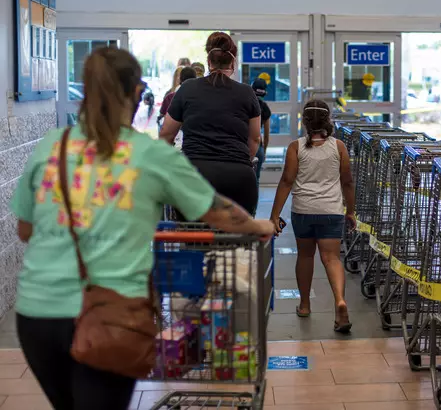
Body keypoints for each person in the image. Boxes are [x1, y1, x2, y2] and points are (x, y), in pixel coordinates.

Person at [9, 47, 274, 410]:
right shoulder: (149, 155)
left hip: (37, 315)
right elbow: (219, 213)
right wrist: (257, 224)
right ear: (136, 95)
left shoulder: (51, 147)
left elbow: (25, 229)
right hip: (113, 314)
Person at [269, 99, 356, 334]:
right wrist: (351, 211)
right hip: (331, 211)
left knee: (305, 256)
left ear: (304, 122)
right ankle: (339, 300)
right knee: (332, 259)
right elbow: (347, 181)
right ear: (327, 121)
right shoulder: (338, 147)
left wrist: (275, 214)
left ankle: (305, 305)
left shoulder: (296, 147)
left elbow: (287, 181)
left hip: (303, 211)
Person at [160, 32, 262, 215]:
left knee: (193, 238)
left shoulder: (187, 89)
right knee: (237, 241)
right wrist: (239, 160)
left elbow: (167, 135)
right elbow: (254, 139)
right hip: (238, 179)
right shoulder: (247, 93)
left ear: (208, 61)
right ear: (232, 63)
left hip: (195, 176)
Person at [251, 78, 272, 182]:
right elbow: (267, 135)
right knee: (256, 178)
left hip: (243, 146)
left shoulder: (245, 104)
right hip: (257, 146)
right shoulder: (265, 108)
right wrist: (264, 151)